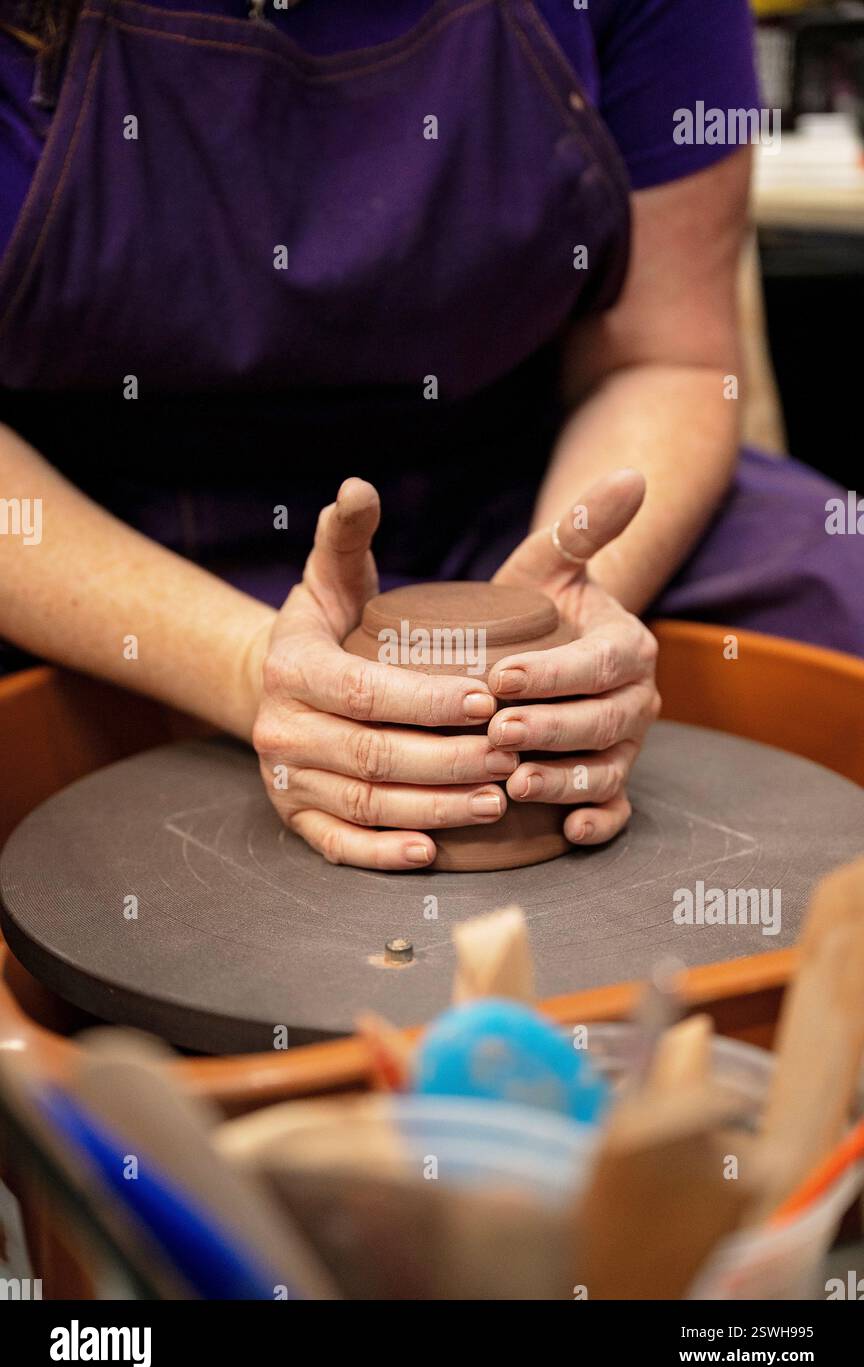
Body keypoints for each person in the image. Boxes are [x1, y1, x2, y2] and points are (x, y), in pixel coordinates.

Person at [0, 0, 859, 871]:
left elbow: (664, 358)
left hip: (517, 487)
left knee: (839, 587)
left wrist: (559, 619)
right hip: (91, 528)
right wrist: (244, 664)